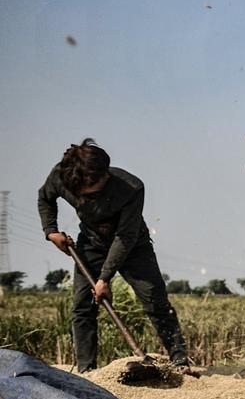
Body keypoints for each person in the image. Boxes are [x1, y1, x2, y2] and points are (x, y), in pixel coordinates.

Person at [37, 139, 190, 372]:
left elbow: (125, 237)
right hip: (91, 244)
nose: (106, 179)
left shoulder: (131, 187)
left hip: (133, 245)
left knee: (155, 300)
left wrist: (104, 278)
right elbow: (45, 198)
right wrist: (51, 231)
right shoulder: (61, 177)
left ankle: (180, 361)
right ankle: (87, 371)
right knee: (82, 306)